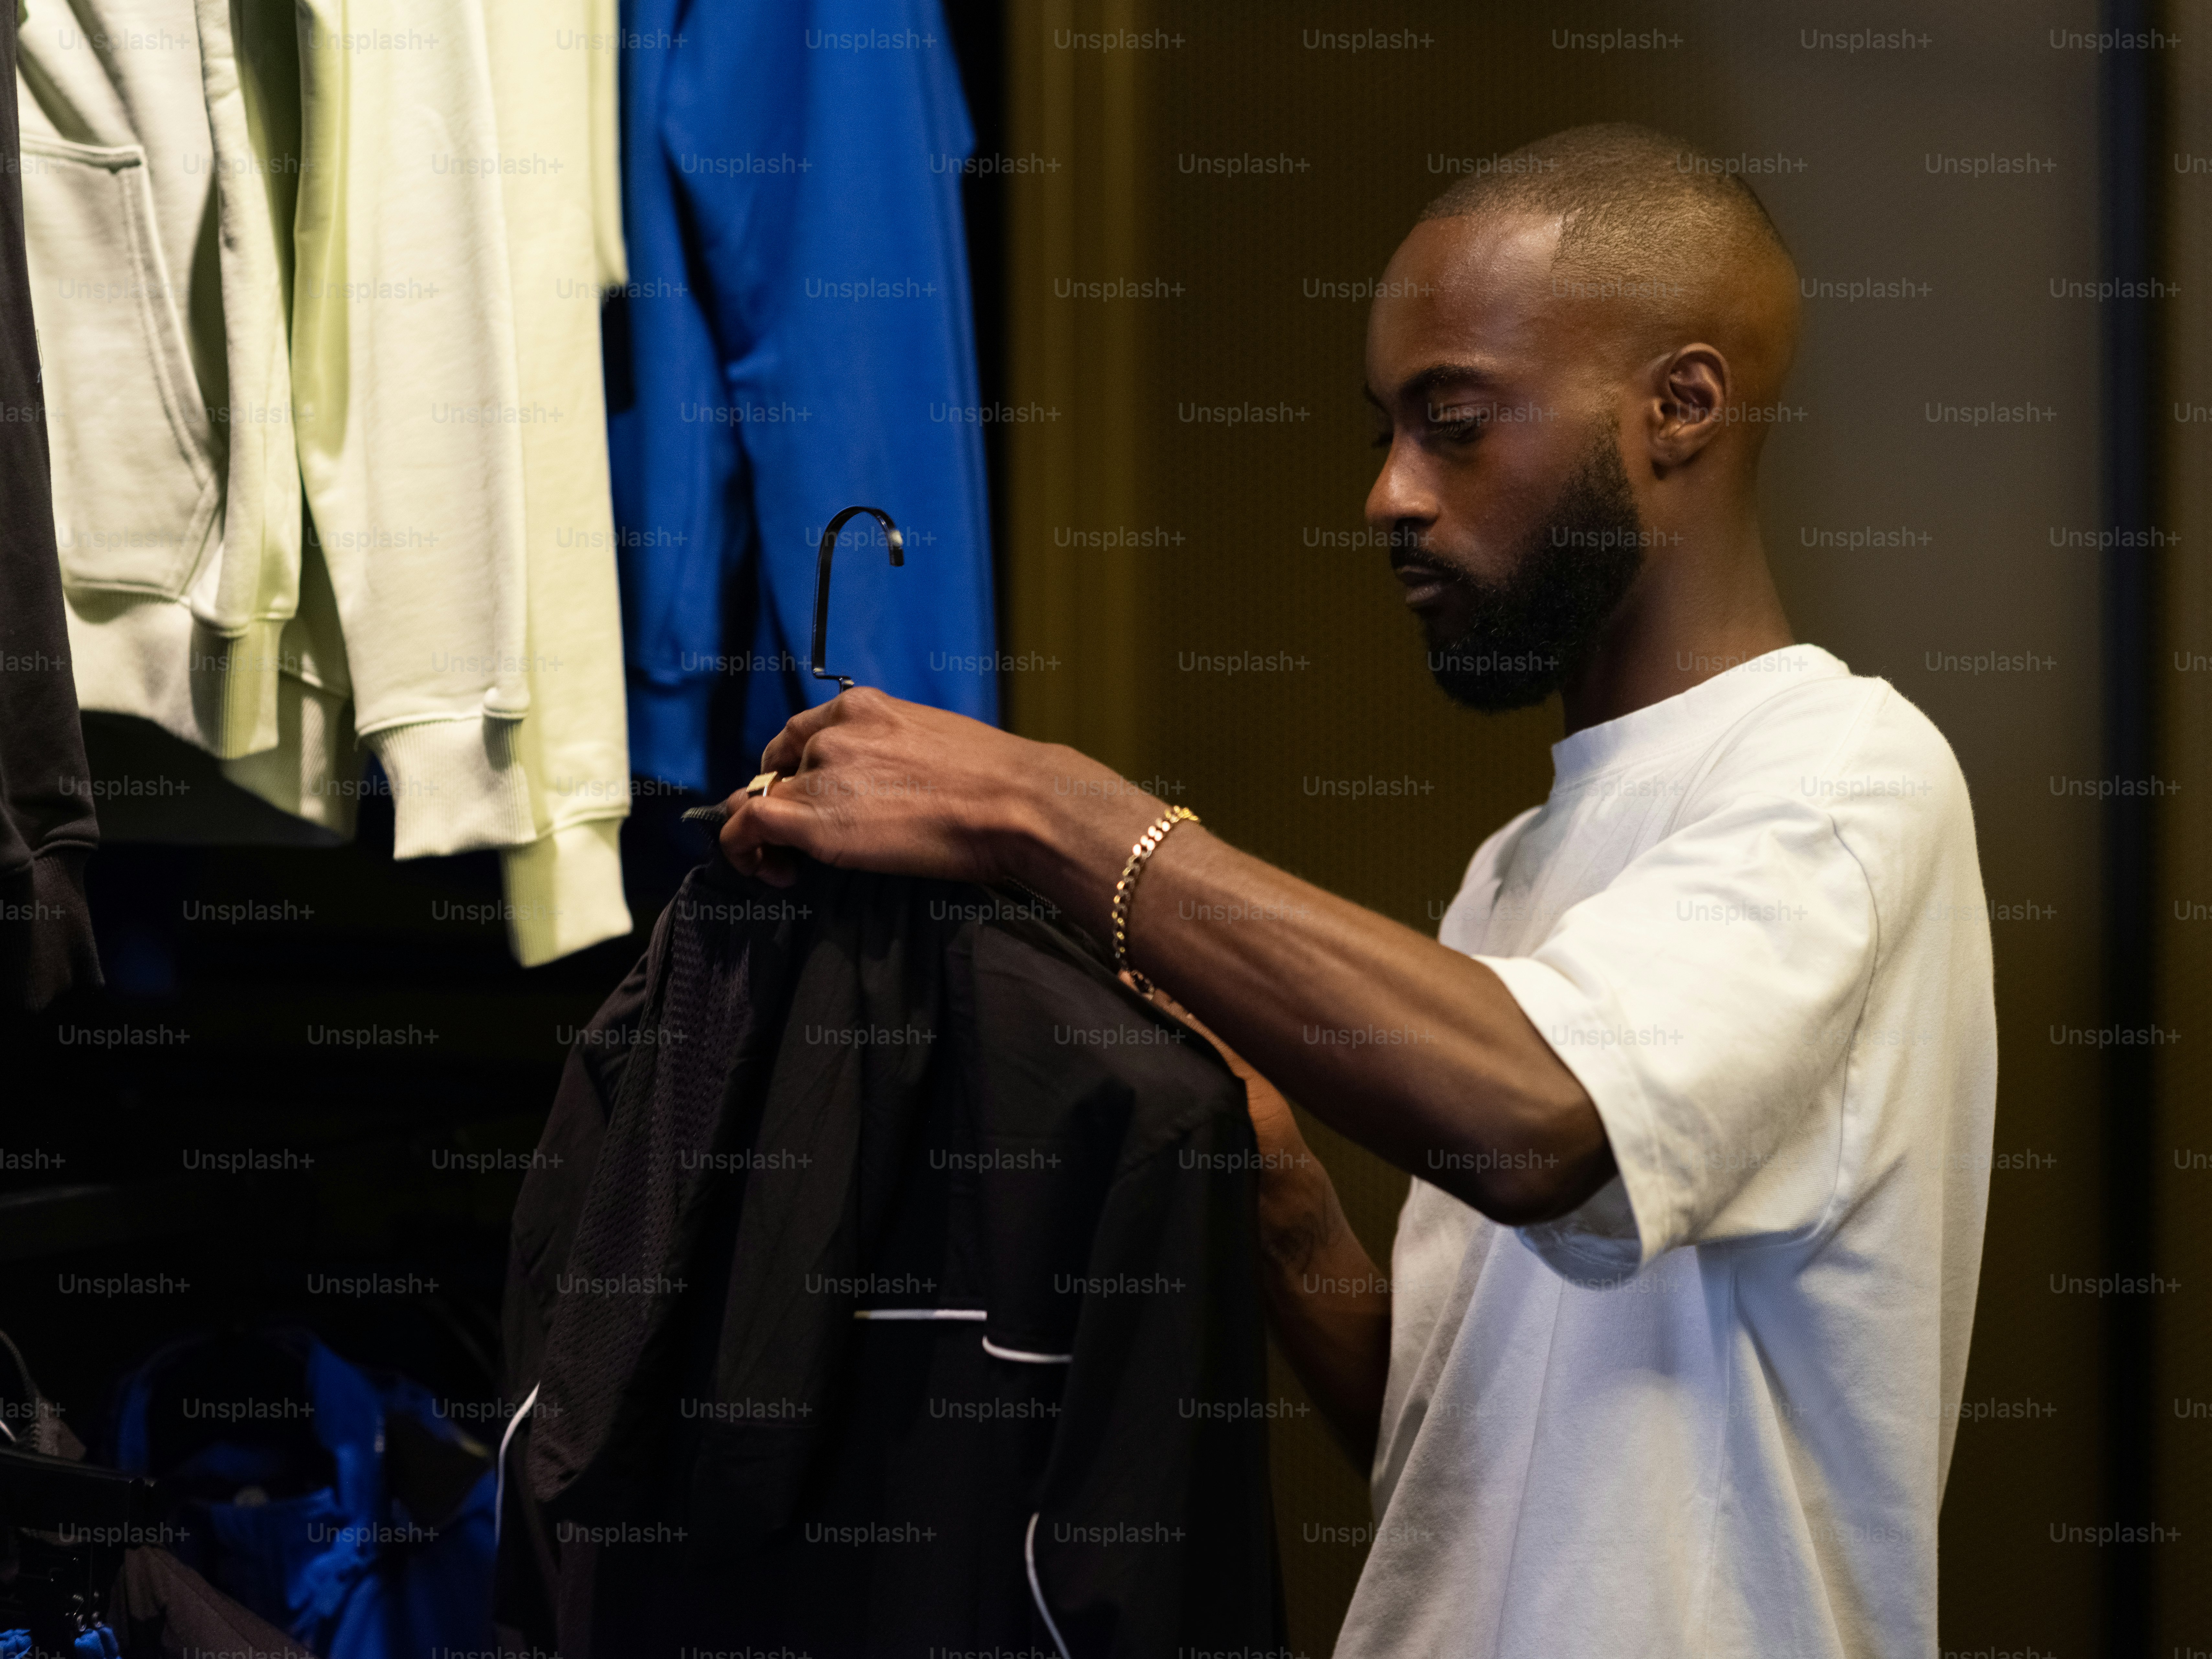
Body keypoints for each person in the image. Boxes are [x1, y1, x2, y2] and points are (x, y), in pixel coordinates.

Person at [717, 124, 1997, 1659]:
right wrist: (1285, 1204)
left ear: (1680, 407)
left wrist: (1038, 805)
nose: (1387, 494)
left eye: (1452, 424)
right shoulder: (1510, 875)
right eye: (1385, 430)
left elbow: (1535, 1120)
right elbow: (1456, 1455)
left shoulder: (1844, 777)